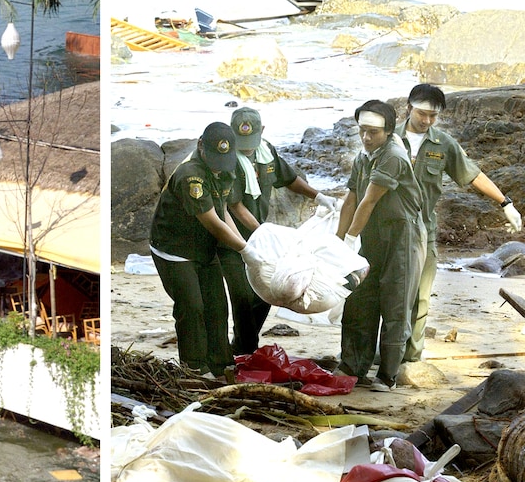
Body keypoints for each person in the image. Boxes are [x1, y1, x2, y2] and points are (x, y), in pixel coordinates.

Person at [396, 84, 522, 363]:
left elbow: (473, 174)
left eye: (433, 115)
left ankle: (411, 358)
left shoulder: (443, 144)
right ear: (408, 107)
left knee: (420, 297)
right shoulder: (389, 139)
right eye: (422, 113)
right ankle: (378, 356)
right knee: (381, 296)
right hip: (387, 230)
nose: (427, 120)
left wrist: (505, 203)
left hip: (423, 230)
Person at [219, 107, 342, 354]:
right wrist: (264, 234)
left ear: (262, 131)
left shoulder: (266, 152)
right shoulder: (226, 161)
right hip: (232, 237)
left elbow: (289, 179)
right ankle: (244, 349)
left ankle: (243, 346)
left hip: (261, 236)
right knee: (243, 296)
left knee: (266, 293)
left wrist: (318, 196)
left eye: (250, 142)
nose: (247, 148)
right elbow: (234, 205)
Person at [150, 122, 262, 376]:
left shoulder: (225, 170)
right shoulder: (191, 176)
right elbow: (212, 222)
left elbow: (223, 211)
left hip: (204, 248)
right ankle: (194, 367)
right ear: (201, 146)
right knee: (192, 307)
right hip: (174, 249)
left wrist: (248, 244)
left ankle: (220, 363)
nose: (218, 165)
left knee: (217, 306)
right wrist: (245, 250)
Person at [336, 100, 425, 390]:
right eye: (362, 130)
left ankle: (387, 375)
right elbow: (351, 199)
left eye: (373, 132)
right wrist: (337, 243)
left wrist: (351, 238)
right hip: (372, 233)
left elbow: (369, 200)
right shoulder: (363, 157)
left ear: (387, 131)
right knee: (360, 299)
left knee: (395, 301)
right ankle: (352, 365)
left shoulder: (393, 156)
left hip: (402, 235)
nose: (366, 137)